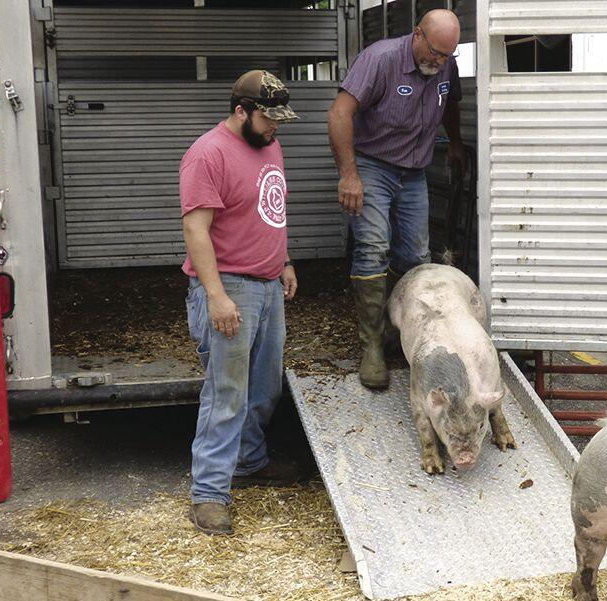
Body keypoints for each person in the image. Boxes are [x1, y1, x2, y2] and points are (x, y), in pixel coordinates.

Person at [181, 70, 306, 535]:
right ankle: (208, 494)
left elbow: (269, 208)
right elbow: (196, 229)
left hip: (269, 283)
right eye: (269, 119)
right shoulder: (207, 154)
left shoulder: (267, 145)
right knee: (226, 393)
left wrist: (285, 260)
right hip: (230, 286)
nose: (276, 127)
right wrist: (215, 296)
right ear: (240, 111)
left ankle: (249, 461)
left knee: (264, 387)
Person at [327, 8, 467, 390]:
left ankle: (396, 332)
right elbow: (340, 113)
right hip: (372, 165)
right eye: (434, 52)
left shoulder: (444, 66)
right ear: (417, 34)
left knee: (416, 258)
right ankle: (371, 346)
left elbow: (450, 103)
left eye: (446, 57)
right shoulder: (380, 59)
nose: (437, 63)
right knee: (373, 248)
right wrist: (349, 174)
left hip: (414, 170)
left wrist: (454, 142)